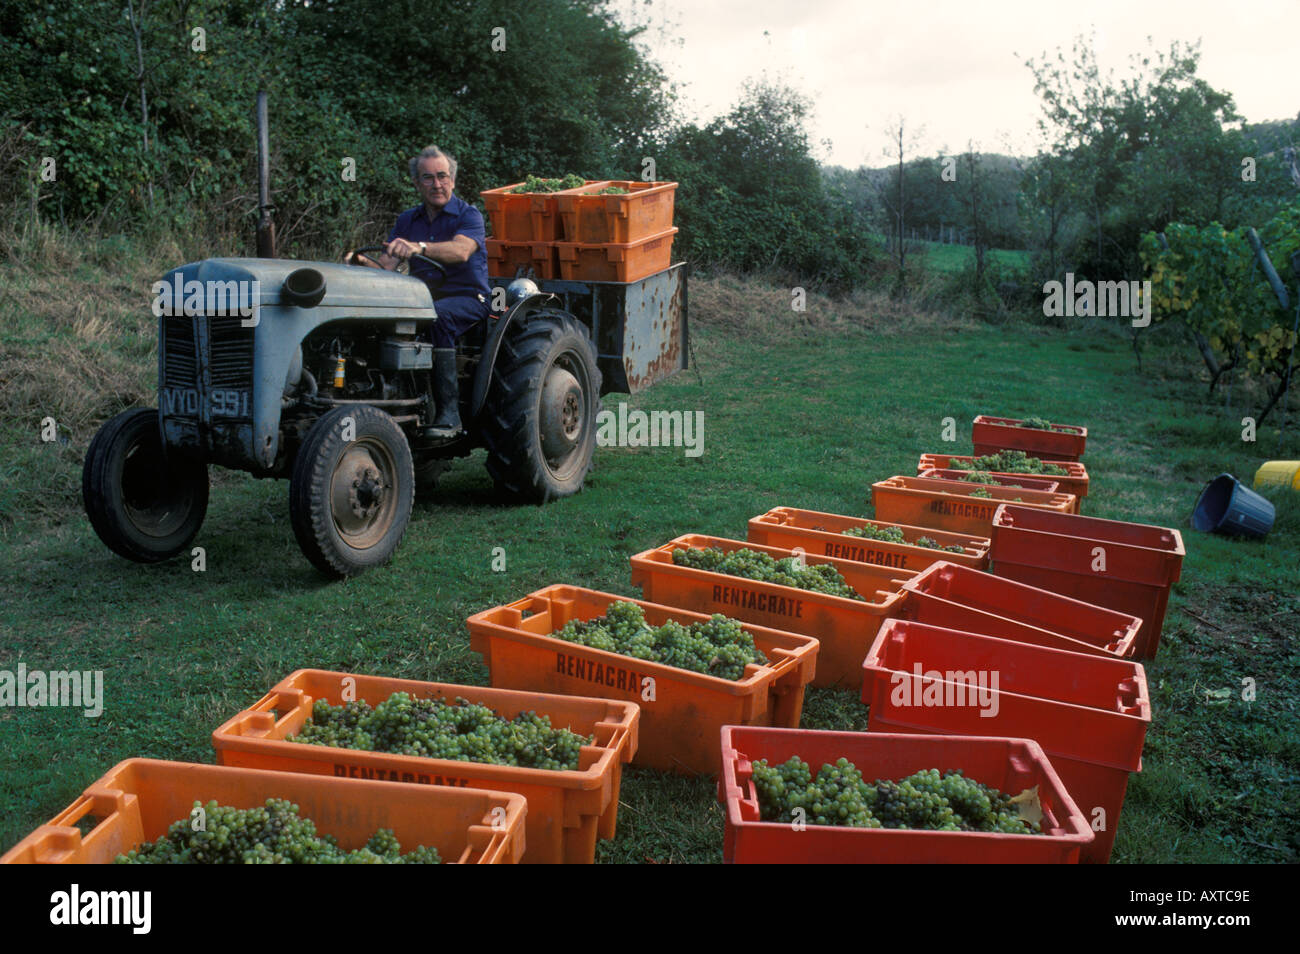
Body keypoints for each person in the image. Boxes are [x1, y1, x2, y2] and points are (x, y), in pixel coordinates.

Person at [348, 145, 490, 438]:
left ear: (452, 179)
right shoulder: (408, 220)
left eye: (442, 176)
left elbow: (462, 251)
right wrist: (358, 261)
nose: (437, 184)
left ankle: (449, 414)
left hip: (468, 299)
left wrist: (420, 247)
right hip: (420, 301)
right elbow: (386, 266)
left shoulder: (469, 215)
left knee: (439, 317)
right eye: (428, 178)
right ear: (417, 183)